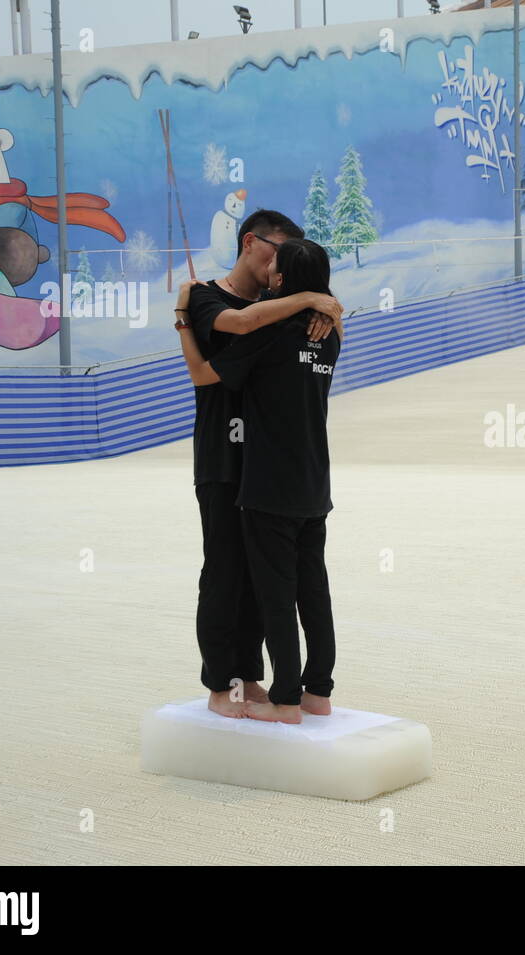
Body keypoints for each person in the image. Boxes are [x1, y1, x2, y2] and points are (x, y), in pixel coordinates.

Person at [177, 209, 342, 719]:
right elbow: (240, 325)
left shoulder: (291, 311)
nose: (279, 264)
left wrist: (323, 306)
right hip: (224, 458)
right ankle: (221, 681)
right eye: (276, 251)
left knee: (263, 580)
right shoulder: (205, 295)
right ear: (250, 243)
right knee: (225, 571)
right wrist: (316, 298)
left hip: (268, 464)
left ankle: (253, 678)